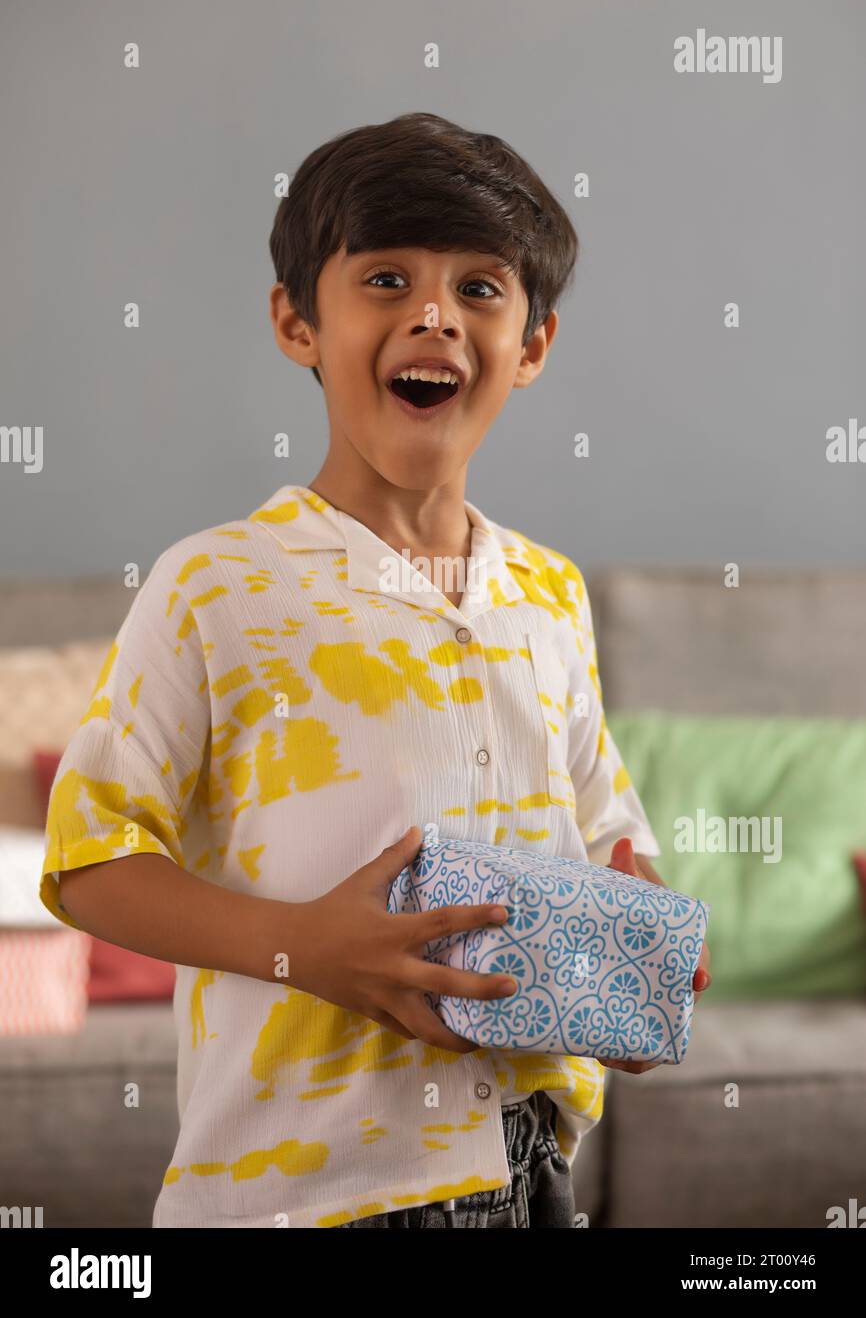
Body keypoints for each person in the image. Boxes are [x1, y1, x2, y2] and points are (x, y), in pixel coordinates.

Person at [40, 112, 710, 1230]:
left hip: (529, 1165)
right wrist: (310, 947)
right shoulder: (217, 585)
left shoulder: (549, 594)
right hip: (302, 1195)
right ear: (298, 321)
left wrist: (623, 953)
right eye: (387, 278)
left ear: (533, 344)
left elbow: (600, 833)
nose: (434, 315)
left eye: (480, 289)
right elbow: (88, 856)